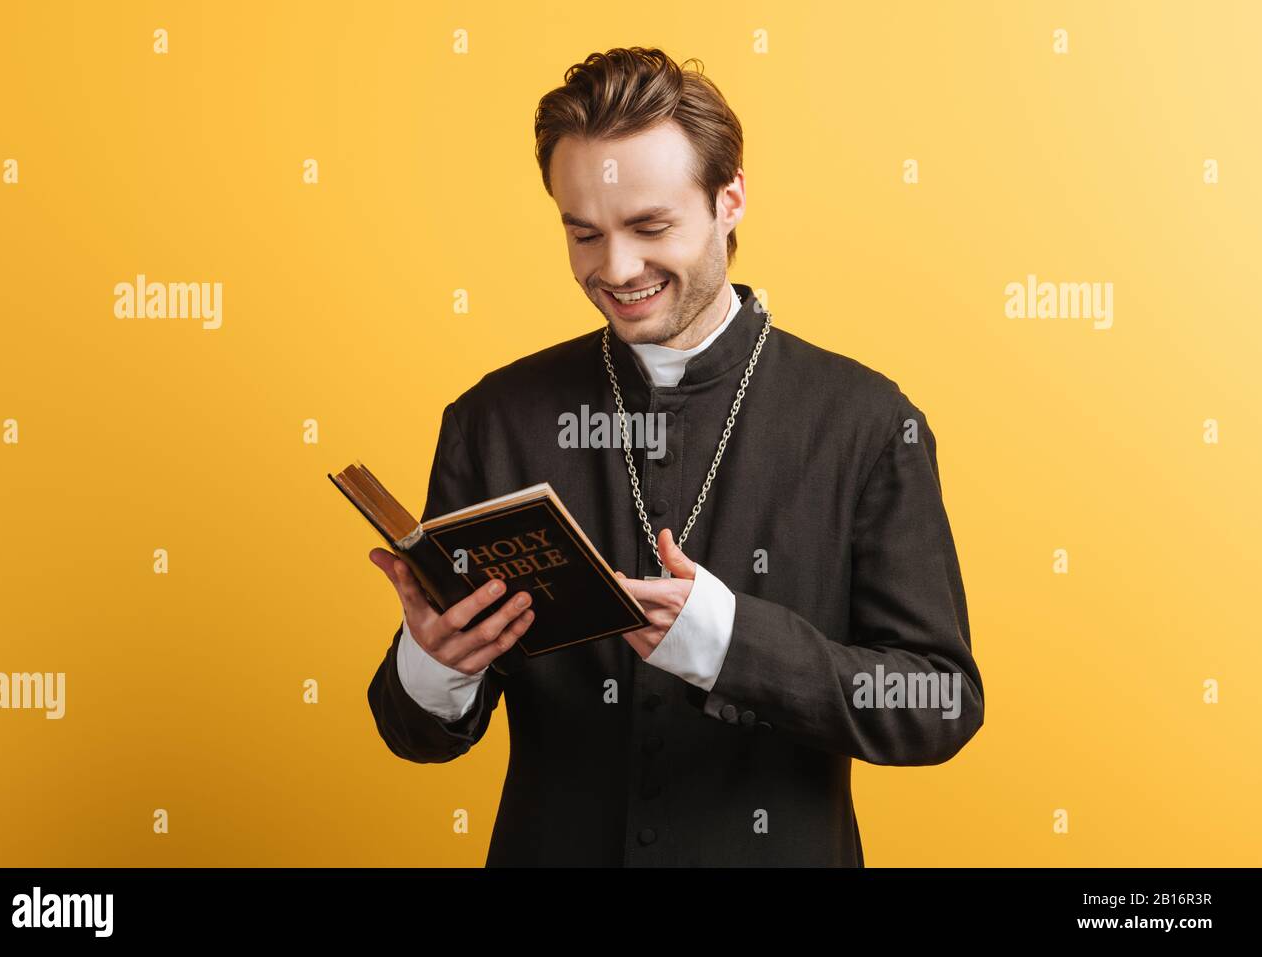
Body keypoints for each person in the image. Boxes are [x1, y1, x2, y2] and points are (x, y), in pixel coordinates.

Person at [365, 46, 984, 866]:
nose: (615, 270)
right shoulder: (493, 419)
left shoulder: (868, 423)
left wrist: (733, 642)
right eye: (583, 233)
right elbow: (421, 738)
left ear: (729, 201)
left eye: (650, 227)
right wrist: (434, 661)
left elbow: (939, 703)